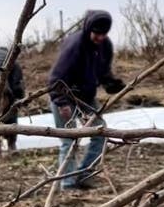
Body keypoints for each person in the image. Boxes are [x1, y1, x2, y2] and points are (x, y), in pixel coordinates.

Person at [48, 10, 125, 189]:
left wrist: (112, 84)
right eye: (96, 33)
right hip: (65, 97)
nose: (100, 37)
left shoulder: (105, 45)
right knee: (69, 139)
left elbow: (103, 71)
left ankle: (84, 175)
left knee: (101, 134)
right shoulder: (75, 46)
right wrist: (61, 103)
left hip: (86, 98)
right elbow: (56, 78)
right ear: (89, 28)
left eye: (103, 34)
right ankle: (67, 184)